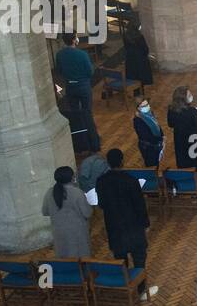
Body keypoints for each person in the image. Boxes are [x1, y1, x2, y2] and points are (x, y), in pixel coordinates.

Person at [95, 149, 154, 287]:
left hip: (114, 226)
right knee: (139, 259)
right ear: (122, 161)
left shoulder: (101, 181)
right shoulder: (130, 180)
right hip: (133, 226)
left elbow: (102, 204)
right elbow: (140, 205)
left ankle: (125, 284)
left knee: (121, 259)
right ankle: (141, 289)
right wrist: (145, 224)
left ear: (108, 162)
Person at [55, 31, 99, 151]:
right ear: (74, 40)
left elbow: (59, 71)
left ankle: (81, 144)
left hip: (70, 87)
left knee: (76, 115)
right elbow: (90, 72)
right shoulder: (82, 54)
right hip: (83, 86)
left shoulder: (60, 54)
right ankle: (94, 144)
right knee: (87, 114)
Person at [42, 165, 92, 258]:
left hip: (58, 231)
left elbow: (45, 211)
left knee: (64, 258)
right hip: (77, 232)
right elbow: (87, 213)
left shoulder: (50, 192)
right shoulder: (77, 192)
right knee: (81, 259)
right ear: (72, 178)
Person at [132, 96, 165, 167]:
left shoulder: (150, 113)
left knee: (157, 164)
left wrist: (162, 135)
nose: (147, 107)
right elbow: (146, 136)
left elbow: (156, 124)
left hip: (155, 143)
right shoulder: (138, 120)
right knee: (152, 166)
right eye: (144, 106)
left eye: (147, 104)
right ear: (138, 108)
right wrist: (161, 139)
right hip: (148, 147)